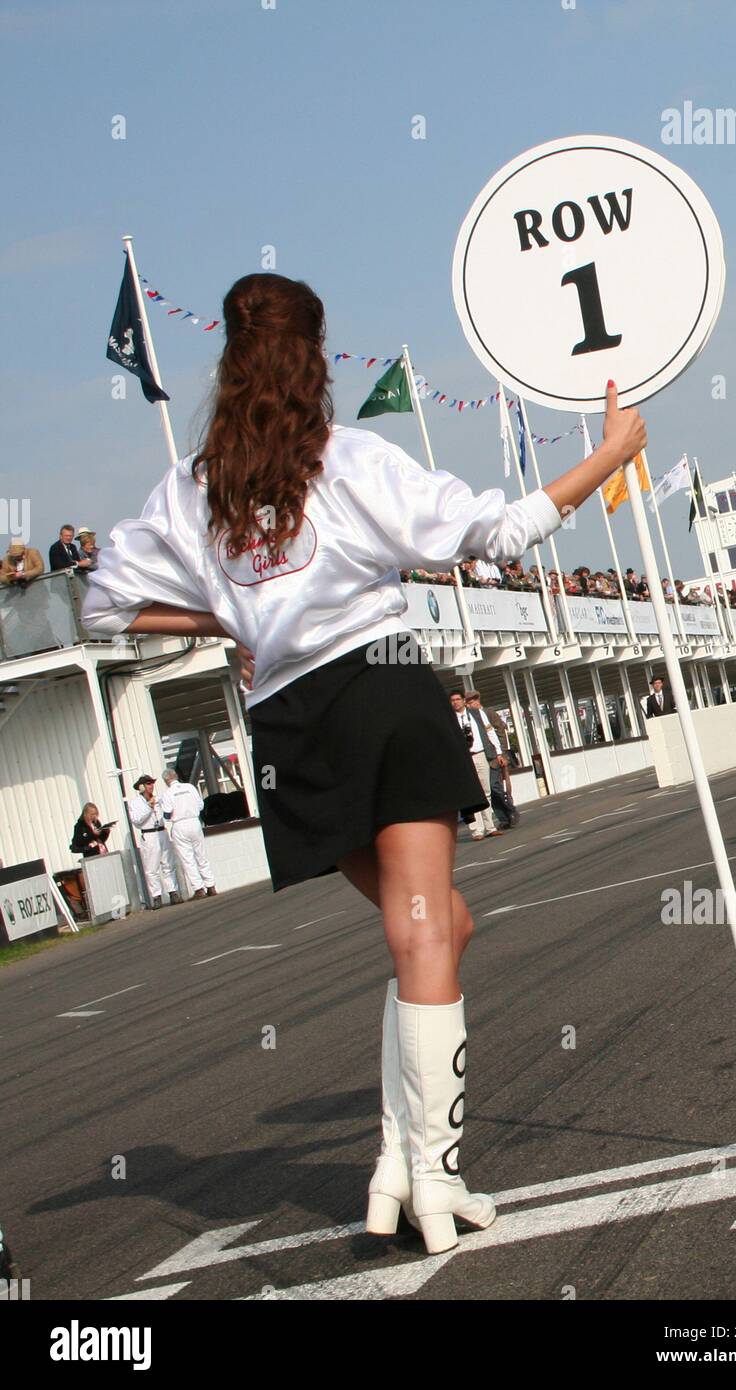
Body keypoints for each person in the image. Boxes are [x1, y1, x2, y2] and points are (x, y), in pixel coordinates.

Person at [80, 272, 646, 1256]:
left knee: (431, 925)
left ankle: (396, 1160)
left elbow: (100, 608)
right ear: (312, 357)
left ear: (227, 361)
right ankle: (434, 1174)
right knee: (429, 928)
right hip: (382, 684)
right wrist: (609, 452)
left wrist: (222, 611)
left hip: (289, 725)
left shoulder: (186, 489)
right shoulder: (349, 458)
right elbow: (497, 536)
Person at [160, 769, 217, 900]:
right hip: (194, 822)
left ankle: (199, 888)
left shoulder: (168, 793)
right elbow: (201, 805)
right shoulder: (190, 787)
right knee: (201, 855)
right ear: (176, 776)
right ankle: (211, 885)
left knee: (188, 859)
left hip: (180, 824)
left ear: (166, 781)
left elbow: (167, 815)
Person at [465, 692, 517, 830]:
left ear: (477, 701)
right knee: (489, 790)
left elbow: (501, 733)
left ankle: (510, 811)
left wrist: (503, 754)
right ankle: (504, 818)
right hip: (482, 757)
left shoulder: (489, 713)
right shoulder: (468, 716)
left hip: (495, 757)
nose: (469, 706)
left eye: (470, 703)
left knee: (495, 787)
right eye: (467, 704)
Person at [127, 775, 181, 909]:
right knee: (152, 867)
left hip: (162, 832)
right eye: (148, 783)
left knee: (168, 863)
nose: (151, 786)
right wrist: (148, 807)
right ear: (141, 787)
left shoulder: (159, 799)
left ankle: (173, 892)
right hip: (149, 834)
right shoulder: (135, 803)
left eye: (152, 783)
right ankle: (156, 896)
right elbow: (136, 820)